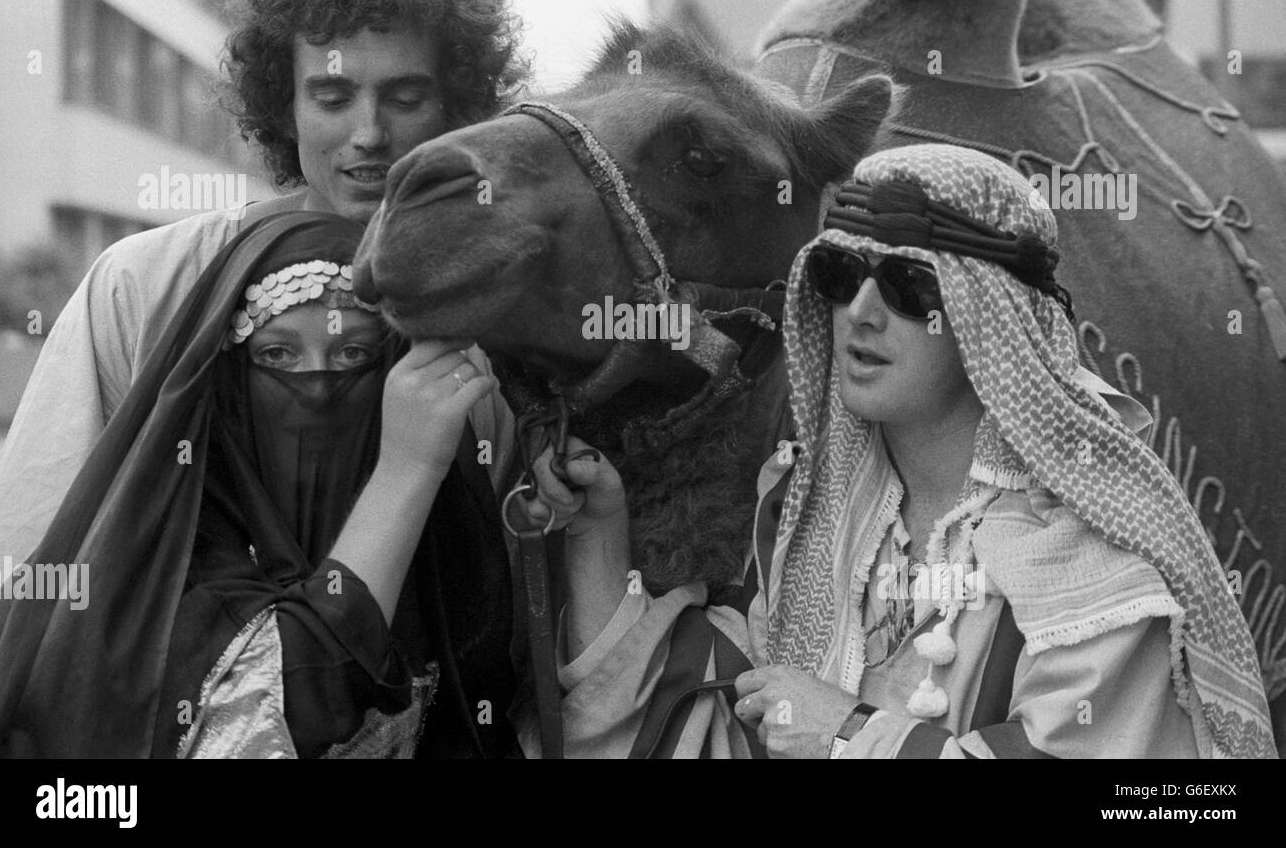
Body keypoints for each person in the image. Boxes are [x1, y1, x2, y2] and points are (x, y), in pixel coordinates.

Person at [516, 144, 1276, 758]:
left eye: (910, 287)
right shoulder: (816, 513)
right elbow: (715, 719)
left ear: (992, 320)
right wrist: (596, 536)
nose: (862, 312)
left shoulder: (1087, 541)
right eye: (841, 276)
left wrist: (851, 734)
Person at [0, 0, 525, 572]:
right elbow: (25, 554)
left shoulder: (495, 319)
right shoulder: (149, 284)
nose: (369, 132)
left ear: (455, 108)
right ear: (284, 108)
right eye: (332, 97)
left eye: (405, 98)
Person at [0, 212, 518, 758]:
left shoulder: (438, 552)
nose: (317, 388)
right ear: (229, 385)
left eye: (353, 354)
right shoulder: (155, 570)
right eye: (278, 355)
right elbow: (299, 700)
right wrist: (408, 468)